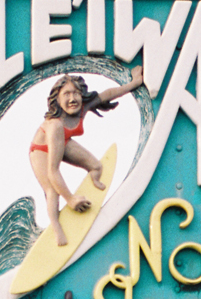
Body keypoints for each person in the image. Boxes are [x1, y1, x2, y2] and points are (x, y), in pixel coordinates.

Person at [29, 67, 144, 245]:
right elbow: (53, 171)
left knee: (96, 166)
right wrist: (70, 198)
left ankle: (95, 183)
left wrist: (134, 83)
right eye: (66, 94)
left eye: (76, 93)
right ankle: (57, 232)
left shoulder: (83, 107)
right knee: (52, 191)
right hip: (41, 150)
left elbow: (108, 94)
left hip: (63, 141)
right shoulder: (54, 126)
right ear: (57, 100)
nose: (72, 98)